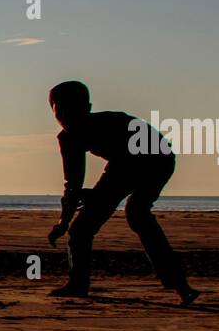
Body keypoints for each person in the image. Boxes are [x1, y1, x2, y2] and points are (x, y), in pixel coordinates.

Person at [45, 80, 199, 305]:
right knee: (80, 229)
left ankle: (180, 286)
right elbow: (73, 183)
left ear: (87, 108)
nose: (67, 119)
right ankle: (78, 284)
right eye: (61, 113)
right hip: (121, 165)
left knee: (137, 213)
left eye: (73, 111)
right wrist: (63, 222)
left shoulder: (111, 123)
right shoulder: (68, 138)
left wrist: (97, 196)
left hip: (157, 159)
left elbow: (129, 169)